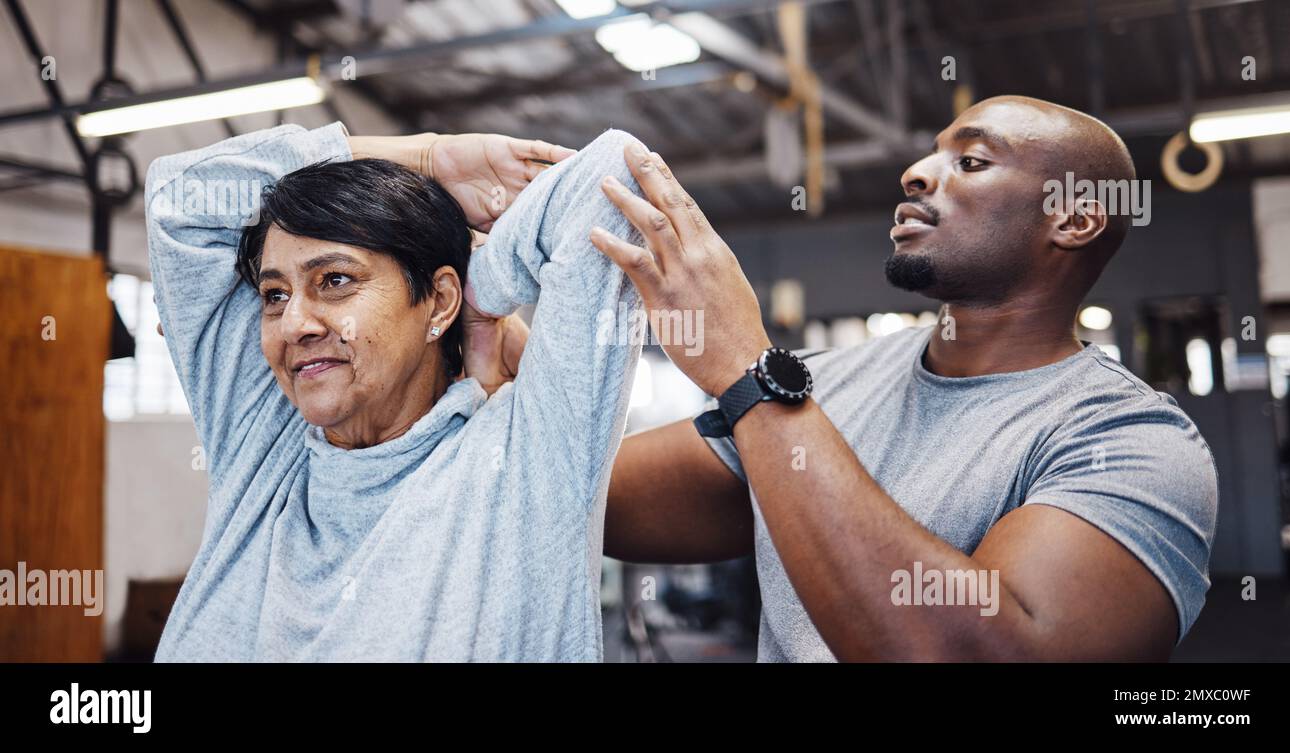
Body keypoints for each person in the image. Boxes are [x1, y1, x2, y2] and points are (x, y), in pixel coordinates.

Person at [468, 96, 1219, 661]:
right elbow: (589, 501)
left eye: (971, 161)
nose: (917, 171)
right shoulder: (827, 383)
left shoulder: (1131, 442)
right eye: (929, 154)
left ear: (1075, 220)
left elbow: (973, 653)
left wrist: (745, 367)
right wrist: (511, 361)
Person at [147, 122, 649, 660]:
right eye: (273, 294)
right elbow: (179, 198)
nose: (294, 324)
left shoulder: (526, 460)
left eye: (335, 280)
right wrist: (428, 158)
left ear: (437, 301)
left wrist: (482, 294)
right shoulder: (261, 447)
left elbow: (614, 174)